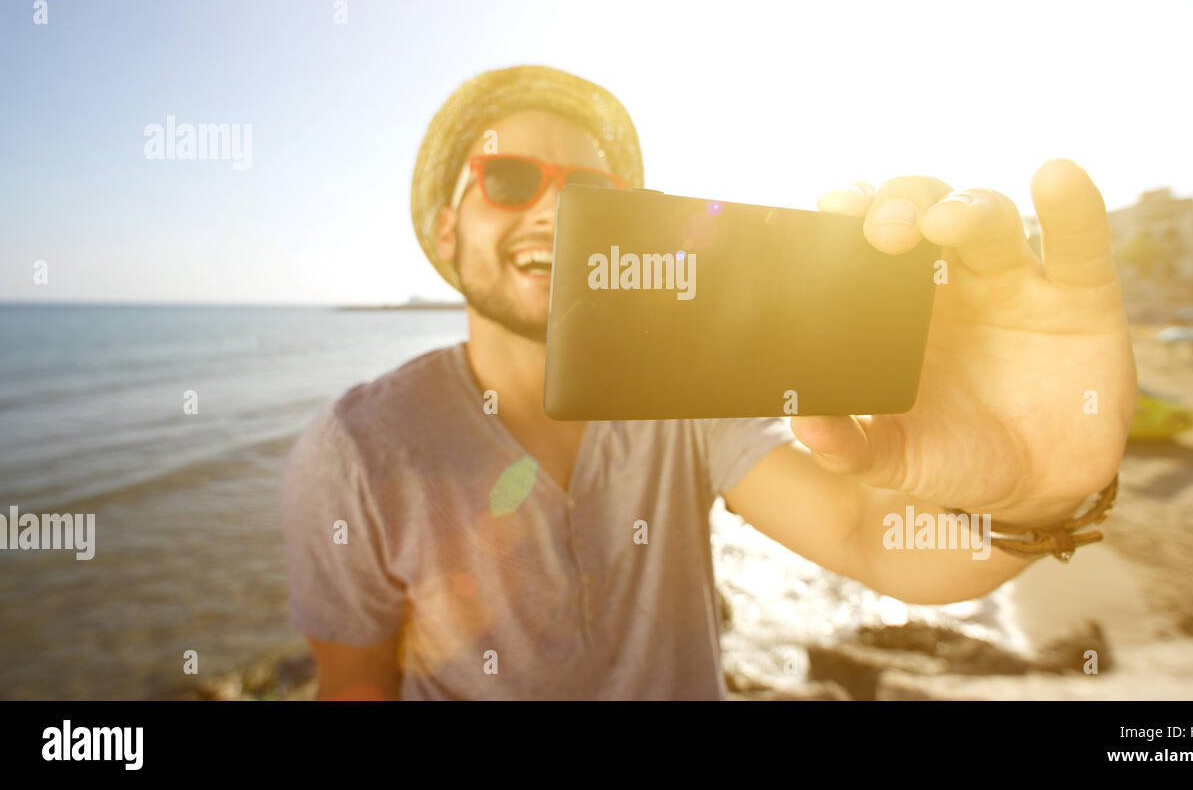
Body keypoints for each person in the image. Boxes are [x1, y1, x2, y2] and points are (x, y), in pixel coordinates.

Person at [281, 65, 1137, 700]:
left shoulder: (683, 394)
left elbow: (867, 537)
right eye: (508, 181)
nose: (551, 212)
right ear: (445, 227)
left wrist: (1030, 497)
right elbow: (357, 685)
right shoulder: (359, 447)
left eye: (587, 190)